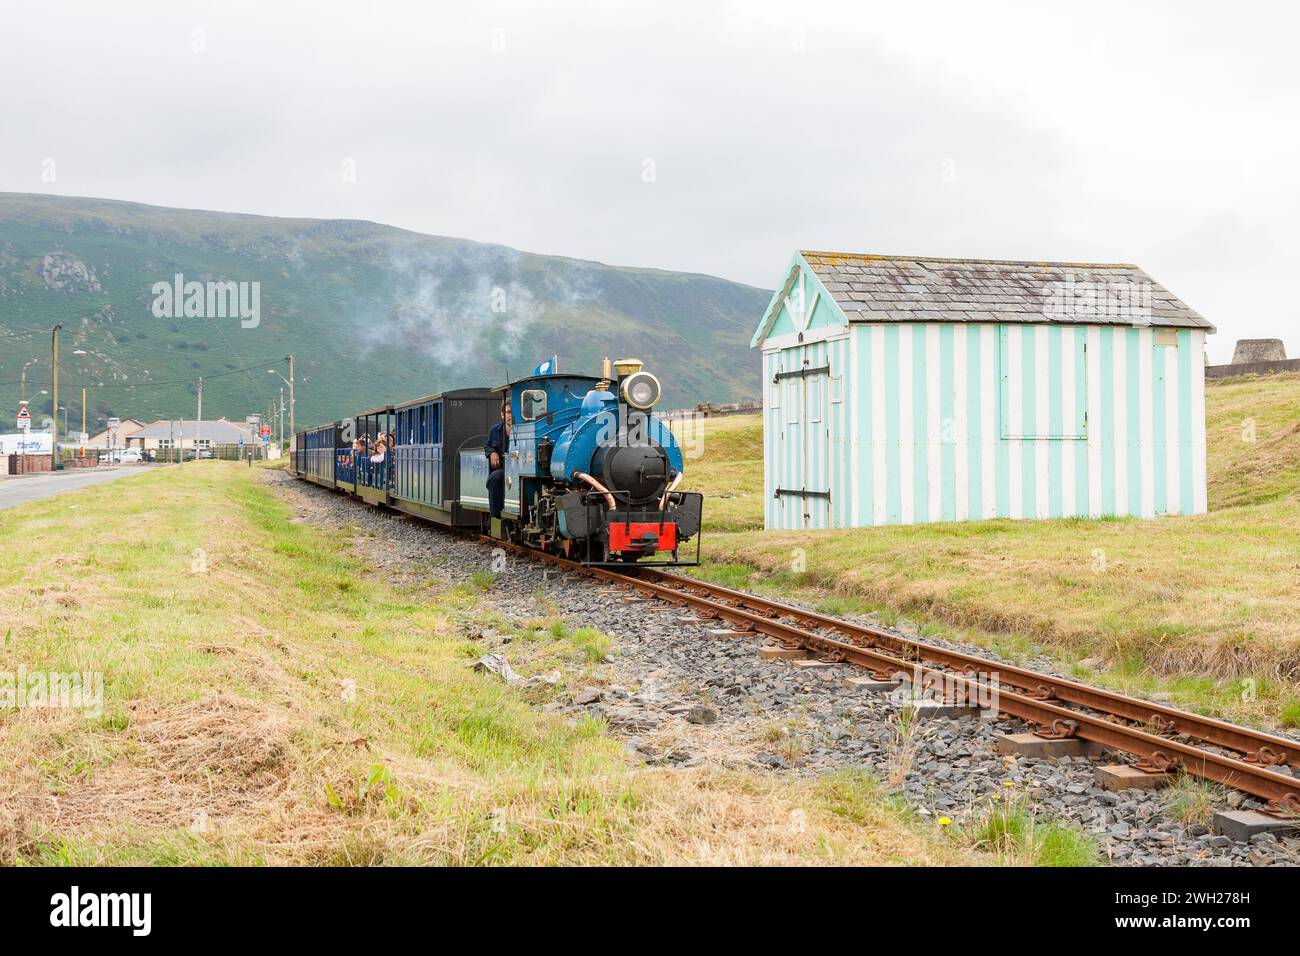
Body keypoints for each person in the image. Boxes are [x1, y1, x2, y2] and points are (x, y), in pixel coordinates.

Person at [485, 400, 512, 519]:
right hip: (503, 469)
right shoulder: (494, 430)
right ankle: (495, 515)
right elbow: (488, 446)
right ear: (502, 414)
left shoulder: (526, 430)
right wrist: (492, 452)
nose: (511, 415)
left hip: (520, 470)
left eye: (513, 412)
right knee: (495, 478)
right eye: (508, 412)